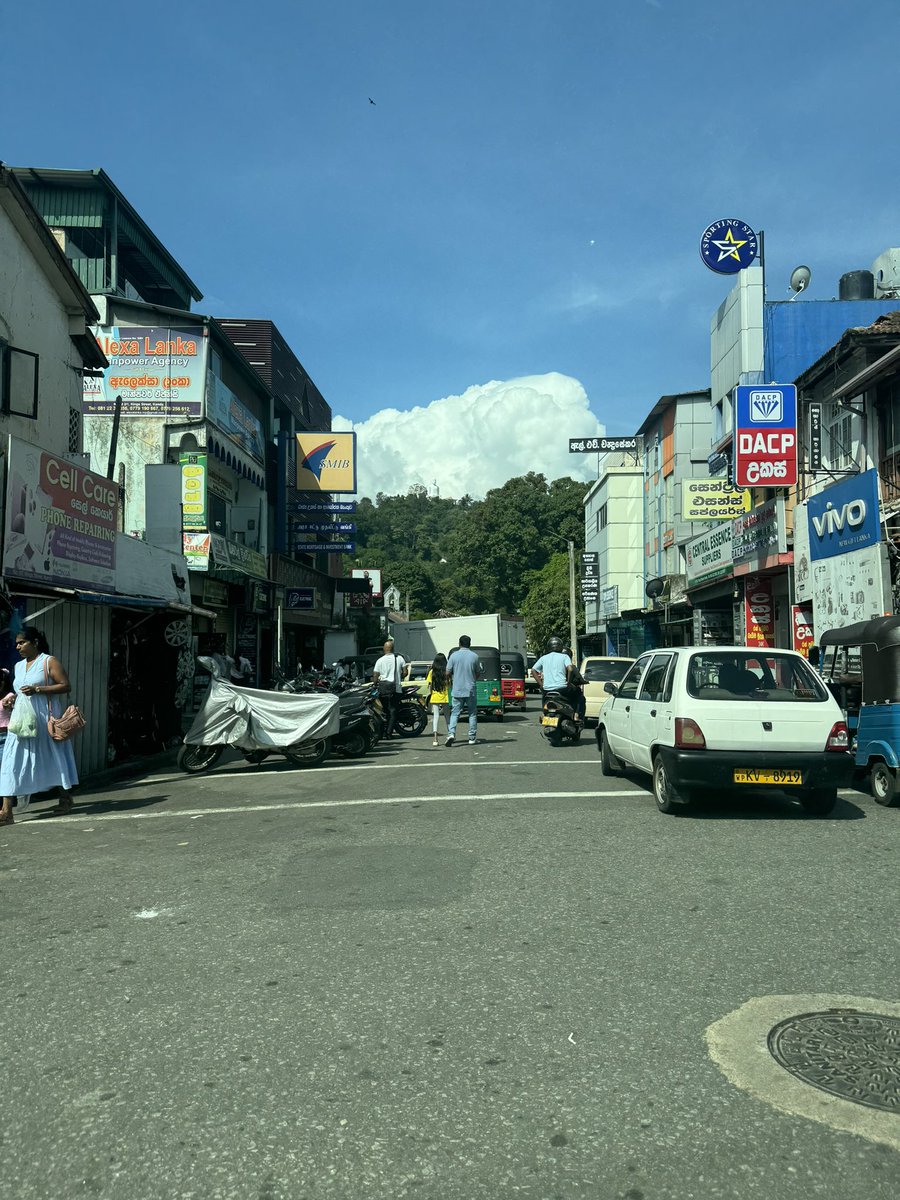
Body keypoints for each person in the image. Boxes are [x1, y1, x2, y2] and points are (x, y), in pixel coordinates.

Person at [0, 627, 79, 824]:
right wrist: (12, 699)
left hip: (45, 719)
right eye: (17, 643)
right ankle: (6, 811)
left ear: (34, 642)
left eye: (22, 642)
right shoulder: (18, 666)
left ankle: (65, 797)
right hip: (21, 720)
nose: (18, 646)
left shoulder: (48, 661)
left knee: (54, 757)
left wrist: (38, 689)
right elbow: (21, 691)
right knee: (11, 760)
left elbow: (66, 685)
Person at [531, 636, 582, 722]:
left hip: (547, 689)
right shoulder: (564, 657)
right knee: (578, 692)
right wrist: (568, 683)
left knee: (544, 695)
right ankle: (576, 714)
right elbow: (570, 669)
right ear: (561, 646)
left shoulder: (543, 658)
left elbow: (533, 670)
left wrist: (541, 684)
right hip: (562, 688)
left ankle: (544, 713)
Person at [445, 635, 483, 747]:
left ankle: (451, 734)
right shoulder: (475, 656)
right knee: (472, 713)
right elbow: (478, 672)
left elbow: (447, 672)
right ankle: (472, 737)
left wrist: (452, 679)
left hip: (457, 689)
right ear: (469, 644)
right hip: (470, 689)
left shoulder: (453, 656)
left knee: (455, 713)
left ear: (459, 643)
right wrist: (472, 679)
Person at [372, 639, 408, 737]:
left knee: (384, 711)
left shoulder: (379, 660)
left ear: (384, 649)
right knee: (393, 710)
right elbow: (405, 672)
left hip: (383, 689)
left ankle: (383, 731)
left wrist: (375, 684)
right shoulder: (399, 658)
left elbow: (375, 675)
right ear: (393, 649)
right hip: (396, 689)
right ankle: (389, 733)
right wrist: (399, 676)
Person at [426, 652, 450, 747]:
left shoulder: (432, 672)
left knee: (435, 716)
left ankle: (435, 739)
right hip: (445, 696)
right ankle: (450, 734)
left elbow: (430, 685)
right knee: (447, 716)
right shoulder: (447, 671)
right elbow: (450, 684)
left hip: (435, 696)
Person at [564, 647, 588, 723]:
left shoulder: (555, 667)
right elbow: (579, 678)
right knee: (580, 697)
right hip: (567, 690)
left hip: (554, 689)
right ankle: (576, 714)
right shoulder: (572, 667)